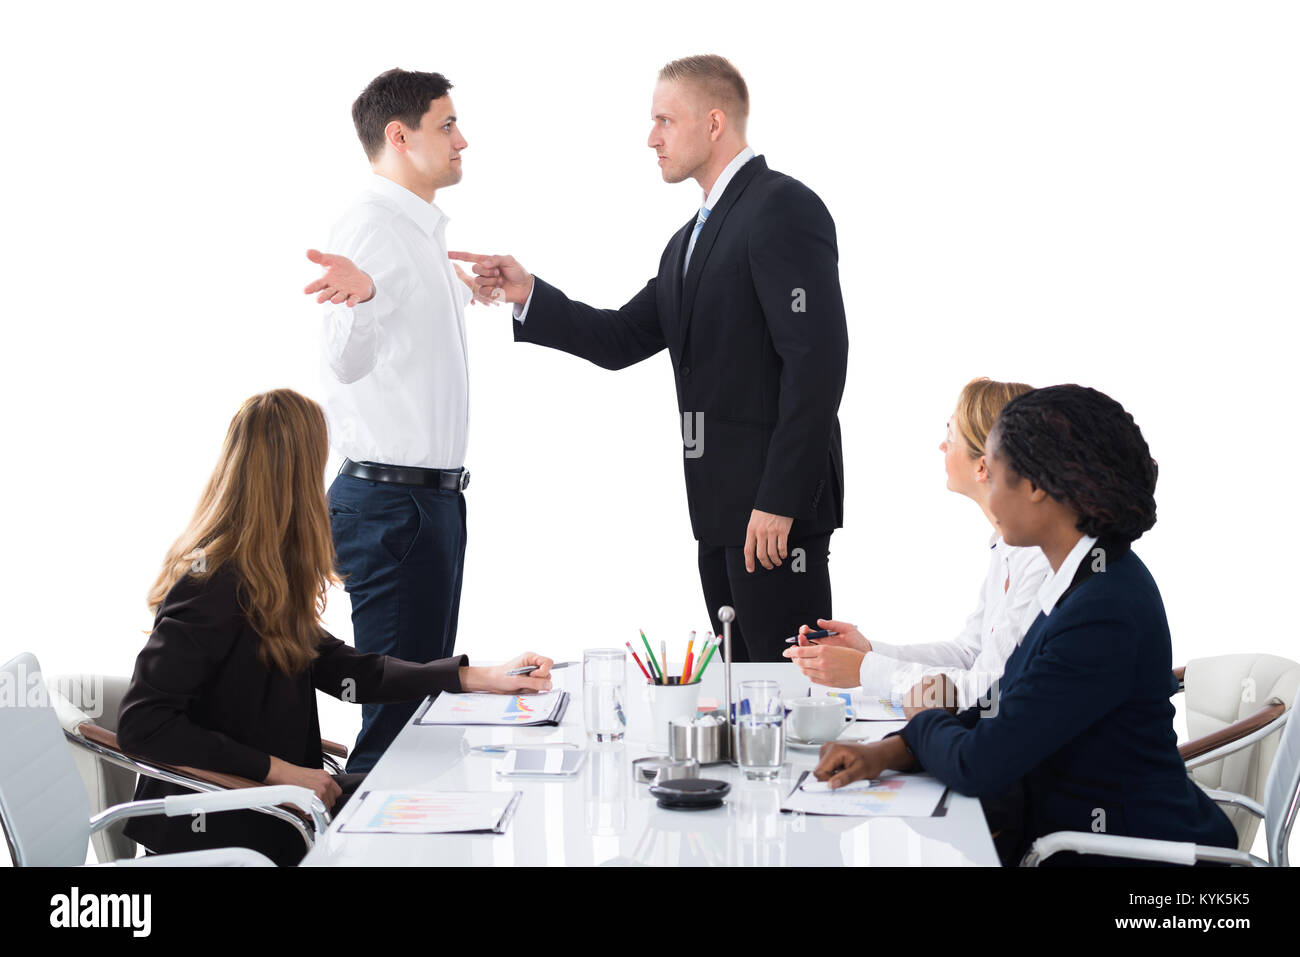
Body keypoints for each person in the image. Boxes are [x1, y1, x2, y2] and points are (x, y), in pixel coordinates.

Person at [450, 54, 849, 662]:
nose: (651, 137)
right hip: (719, 513)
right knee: (743, 692)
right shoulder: (685, 243)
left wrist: (779, 499)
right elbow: (618, 339)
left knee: (787, 693)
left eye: (665, 119)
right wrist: (527, 292)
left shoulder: (781, 207)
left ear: (714, 123)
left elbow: (817, 362)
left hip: (773, 518)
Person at [117, 390, 553, 866]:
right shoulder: (212, 582)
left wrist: (476, 678)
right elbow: (143, 723)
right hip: (228, 824)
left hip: (278, 803)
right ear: (296, 477)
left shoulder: (263, 569)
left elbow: (348, 671)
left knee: (455, 802)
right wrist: (280, 771)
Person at [812, 385, 1238, 865]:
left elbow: (980, 764)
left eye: (994, 475)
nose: (989, 494)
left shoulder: (1103, 607)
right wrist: (889, 752)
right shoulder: (1083, 576)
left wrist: (922, 714)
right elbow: (1006, 702)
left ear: (1035, 487)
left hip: (1129, 854)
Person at [301, 68, 495, 773]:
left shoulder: (417, 232)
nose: (461, 139)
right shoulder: (372, 228)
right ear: (399, 135)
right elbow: (345, 364)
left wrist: (461, 291)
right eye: (447, 125)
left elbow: (403, 351)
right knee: (394, 727)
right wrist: (366, 298)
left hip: (423, 503)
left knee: (419, 714)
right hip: (395, 507)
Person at [784, 378, 1052, 714]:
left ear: (982, 465)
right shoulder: (1008, 547)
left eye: (950, 435)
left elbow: (990, 691)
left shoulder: (1044, 562)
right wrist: (867, 652)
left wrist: (865, 670)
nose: (942, 446)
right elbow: (971, 653)